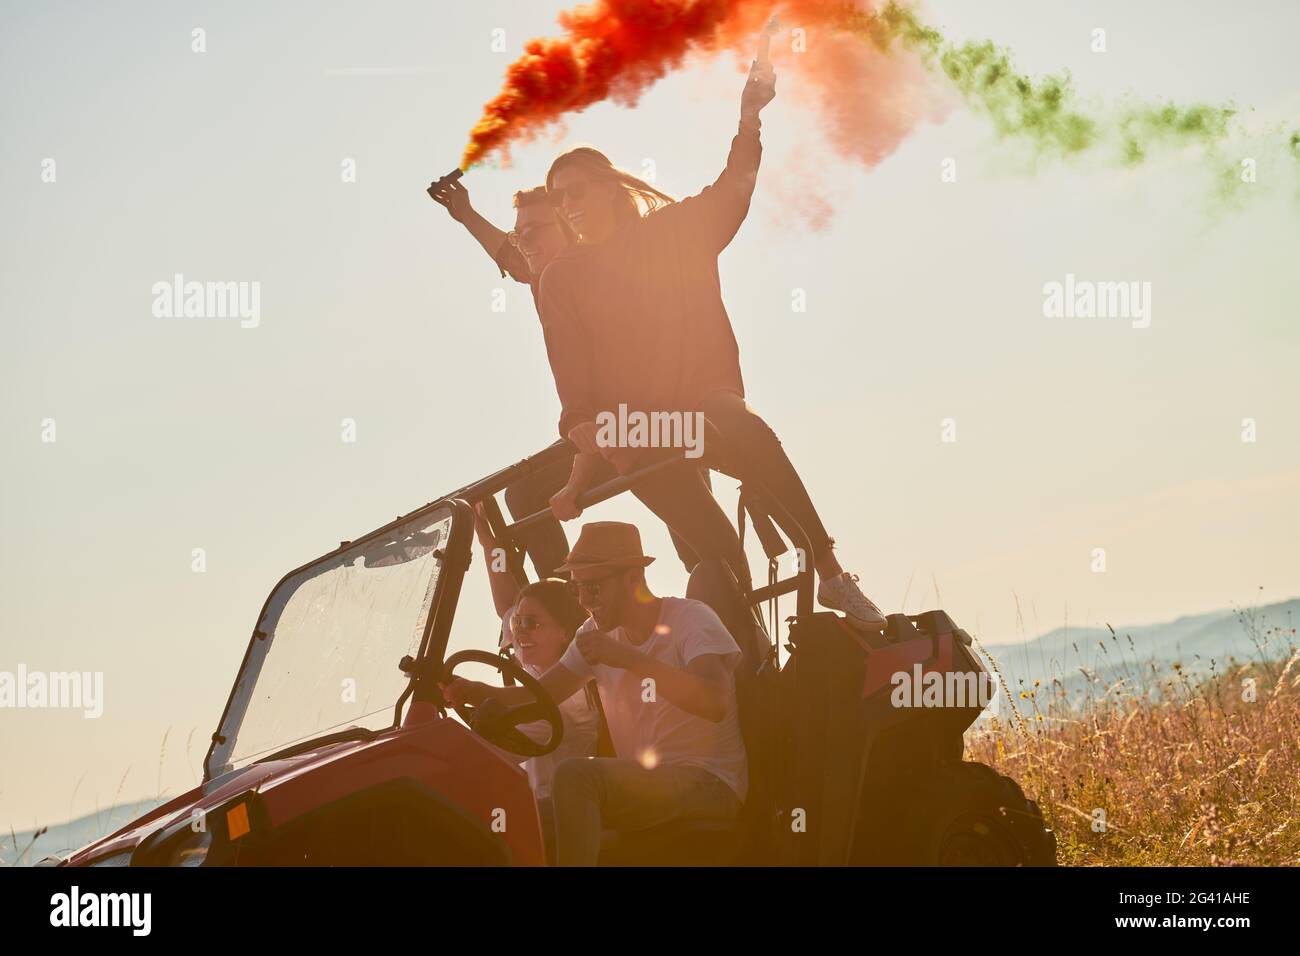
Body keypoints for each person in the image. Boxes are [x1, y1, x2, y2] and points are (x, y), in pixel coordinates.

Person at [535, 55, 886, 630]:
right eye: (558, 197)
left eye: (577, 190)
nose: (569, 204)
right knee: (720, 556)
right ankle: (745, 671)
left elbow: (733, 189)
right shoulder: (562, 278)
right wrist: (583, 430)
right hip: (637, 430)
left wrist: (750, 118)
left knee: (744, 426)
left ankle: (830, 573)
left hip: (701, 403)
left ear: (609, 187)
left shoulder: (675, 232)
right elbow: (571, 375)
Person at [428, 179, 746, 584]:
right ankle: (565, 614)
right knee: (525, 494)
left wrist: (576, 482)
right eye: (518, 233)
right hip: (604, 431)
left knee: (700, 542)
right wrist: (466, 213)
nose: (523, 243)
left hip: (653, 427)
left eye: (534, 232)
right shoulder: (546, 274)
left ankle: (740, 624)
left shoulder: (603, 278)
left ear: (570, 230)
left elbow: (608, 398)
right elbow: (511, 254)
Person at [442, 521, 747, 866]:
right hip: (641, 787)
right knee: (505, 819)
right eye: (577, 589)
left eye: (594, 587)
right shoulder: (594, 634)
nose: (586, 601)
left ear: (634, 578)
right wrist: (480, 692)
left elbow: (714, 700)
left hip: (710, 784)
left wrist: (627, 659)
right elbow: (543, 696)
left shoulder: (691, 619)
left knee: (574, 776)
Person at [471, 503, 598, 862]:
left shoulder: (562, 696)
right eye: (517, 625)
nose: (519, 631)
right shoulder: (537, 674)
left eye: (531, 624)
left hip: (556, 812)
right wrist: (486, 541)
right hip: (532, 806)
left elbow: (496, 752)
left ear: (563, 631)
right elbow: (504, 604)